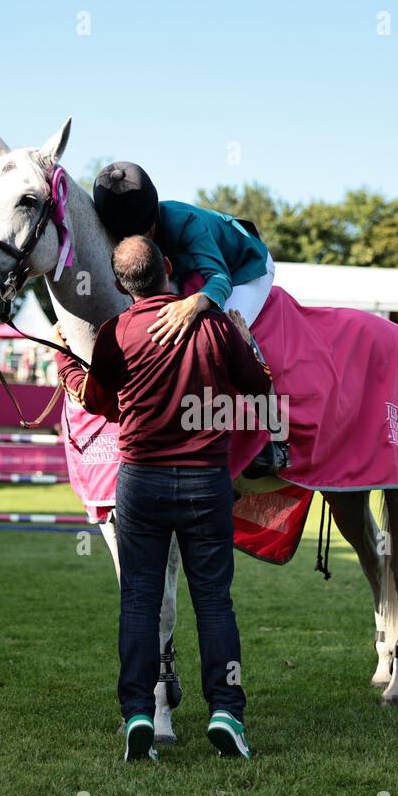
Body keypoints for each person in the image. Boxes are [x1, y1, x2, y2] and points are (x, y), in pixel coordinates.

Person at [54, 235, 271, 762]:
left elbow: (99, 402)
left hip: (141, 483)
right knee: (214, 602)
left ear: (121, 284)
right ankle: (226, 712)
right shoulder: (217, 324)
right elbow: (260, 390)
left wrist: (64, 361)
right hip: (205, 483)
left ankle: (138, 715)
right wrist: (246, 337)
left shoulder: (116, 331)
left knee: (139, 601)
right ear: (168, 268)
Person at [93, 161, 288, 478]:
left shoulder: (186, 222)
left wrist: (194, 304)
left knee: (225, 328)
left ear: (154, 217)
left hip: (244, 268)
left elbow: (220, 279)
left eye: (144, 235)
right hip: (189, 271)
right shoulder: (124, 224)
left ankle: (276, 439)